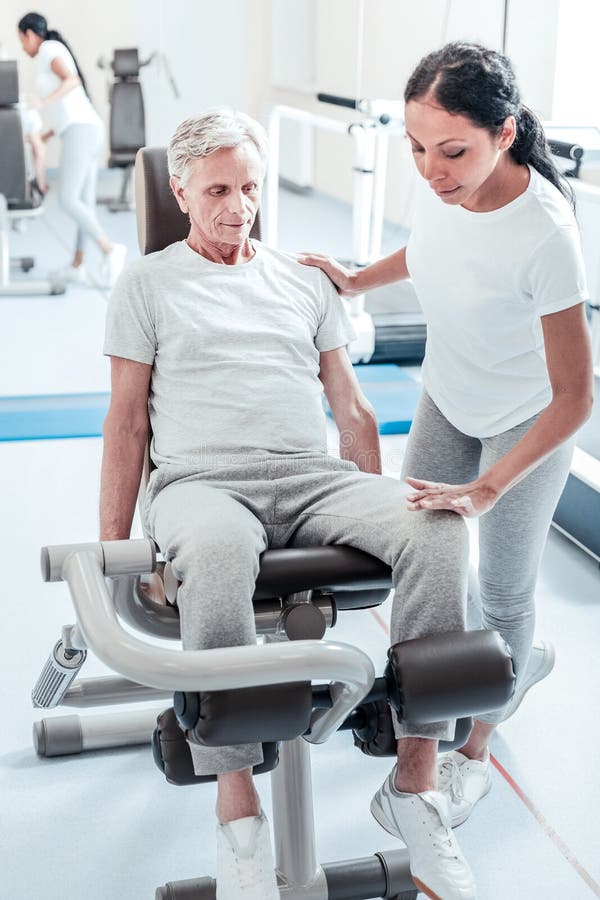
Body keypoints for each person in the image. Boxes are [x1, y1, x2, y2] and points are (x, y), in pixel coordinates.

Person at [101, 108, 481, 900]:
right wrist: (116, 555)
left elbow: (352, 412)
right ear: (180, 189)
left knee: (441, 526)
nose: (238, 206)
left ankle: (414, 791)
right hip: (203, 486)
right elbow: (127, 420)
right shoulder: (146, 282)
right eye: (217, 191)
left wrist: (381, 509)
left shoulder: (304, 280)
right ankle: (238, 815)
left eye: (249, 188)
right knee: (214, 555)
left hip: (313, 479)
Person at [299, 41, 594, 829]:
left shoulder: (547, 234)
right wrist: (357, 278)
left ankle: (476, 751)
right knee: (421, 550)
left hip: (525, 421)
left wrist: (492, 487)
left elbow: (577, 397)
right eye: (419, 148)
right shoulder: (445, 185)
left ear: (506, 134)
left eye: (453, 150)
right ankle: (483, 671)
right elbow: (433, 250)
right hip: (449, 395)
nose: (431, 169)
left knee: (501, 586)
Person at [17, 12, 126, 287]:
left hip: (82, 131)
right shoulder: (52, 50)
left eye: (22, 40)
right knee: (83, 203)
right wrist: (44, 135)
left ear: (30, 35)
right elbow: (68, 109)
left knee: (67, 198)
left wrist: (41, 103)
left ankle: (110, 249)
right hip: (85, 128)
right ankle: (78, 264)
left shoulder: (48, 49)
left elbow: (72, 80)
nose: (23, 47)